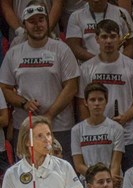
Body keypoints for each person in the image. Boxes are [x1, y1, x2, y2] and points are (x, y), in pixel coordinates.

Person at [0, 4, 80, 153]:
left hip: (59, 126)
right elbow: (4, 88)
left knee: (60, 166)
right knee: (27, 167)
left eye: (41, 20)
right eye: (32, 21)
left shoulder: (62, 49)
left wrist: (49, 115)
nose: (37, 25)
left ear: (47, 22)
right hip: (25, 126)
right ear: (24, 25)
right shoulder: (13, 53)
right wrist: (24, 103)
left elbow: (71, 86)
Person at [77, 19, 133, 172]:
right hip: (97, 136)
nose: (108, 41)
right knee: (99, 178)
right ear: (97, 39)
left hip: (126, 134)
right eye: (104, 37)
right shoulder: (86, 68)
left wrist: (125, 117)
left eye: (113, 36)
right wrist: (89, 128)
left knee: (128, 179)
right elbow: (82, 102)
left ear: (120, 38)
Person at [71, 83, 125, 188]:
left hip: (110, 182)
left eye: (100, 99)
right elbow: (78, 165)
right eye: (92, 100)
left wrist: (107, 182)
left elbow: (115, 164)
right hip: (88, 183)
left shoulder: (117, 128)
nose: (96, 103)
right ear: (86, 102)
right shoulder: (76, 130)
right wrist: (97, 180)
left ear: (106, 101)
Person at [66, 0, 133, 62]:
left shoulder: (122, 13)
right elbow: (74, 46)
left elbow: (131, 45)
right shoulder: (76, 16)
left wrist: (120, 62)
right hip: (89, 67)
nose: (96, 1)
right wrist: (98, 61)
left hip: (119, 66)